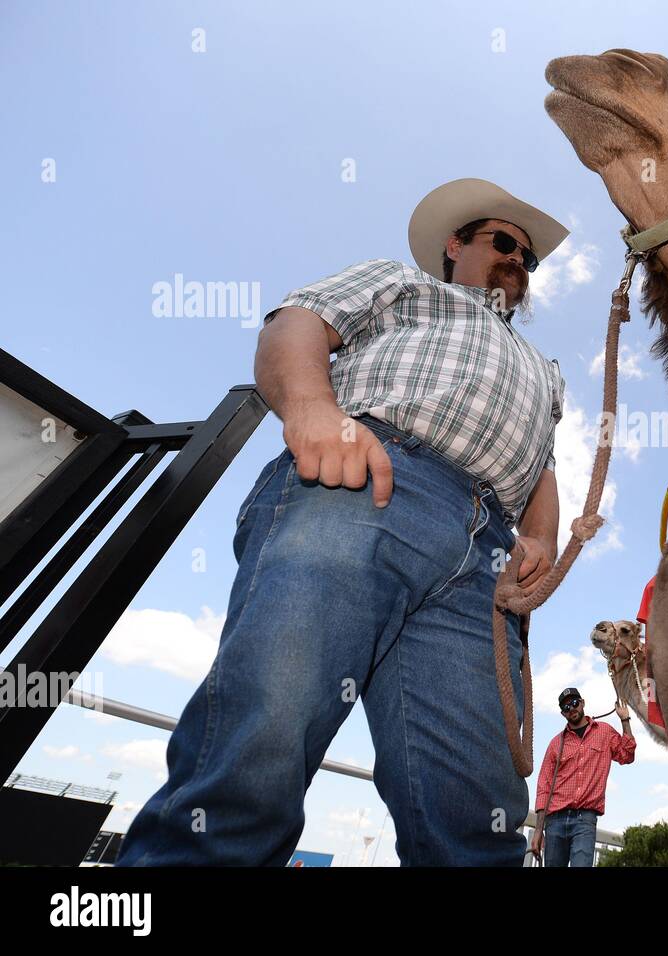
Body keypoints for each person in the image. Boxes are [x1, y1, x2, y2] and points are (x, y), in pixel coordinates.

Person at [118, 178, 569, 866]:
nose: (517, 260)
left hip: (485, 562)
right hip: (368, 482)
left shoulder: (547, 370)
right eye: (503, 242)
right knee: (266, 733)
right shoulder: (401, 282)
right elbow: (295, 323)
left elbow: (543, 470)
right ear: (454, 246)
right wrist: (310, 409)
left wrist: (540, 539)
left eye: (528, 258)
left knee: (478, 807)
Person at [530, 688, 635, 867]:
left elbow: (627, 755)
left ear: (583, 703)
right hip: (554, 821)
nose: (571, 708)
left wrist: (625, 720)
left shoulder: (604, 732)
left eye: (574, 703)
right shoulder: (556, 744)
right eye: (566, 707)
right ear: (563, 714)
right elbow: (543, 787)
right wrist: (539, 831)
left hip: (584, 820)